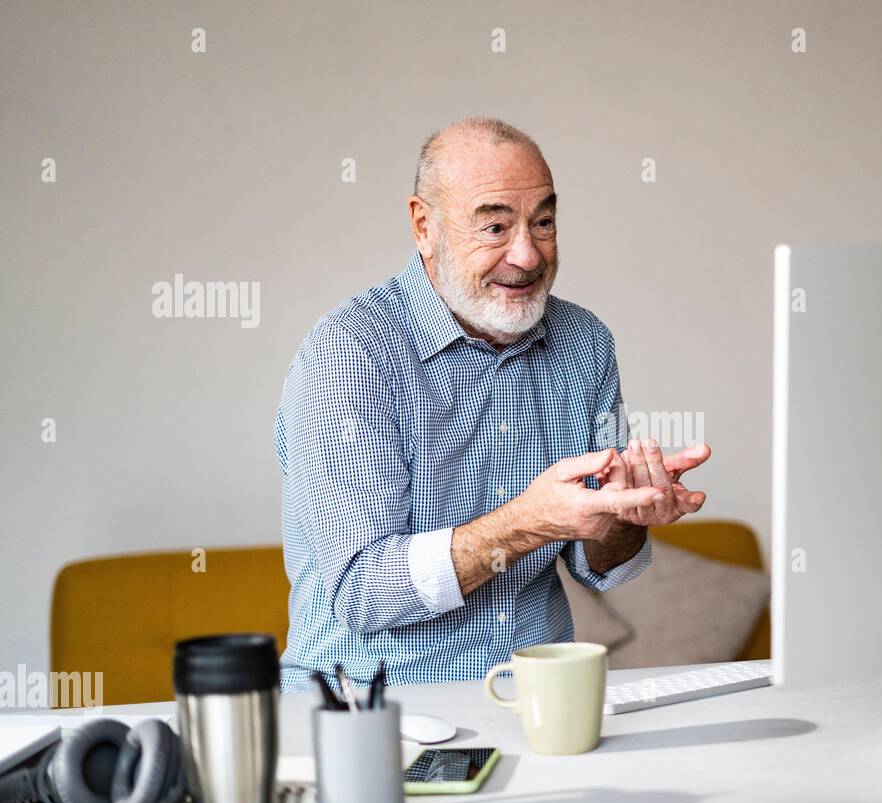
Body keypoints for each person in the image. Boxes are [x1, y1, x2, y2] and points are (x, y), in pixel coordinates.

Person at [274, 117, 711, 690]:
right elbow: (363, 591)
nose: (527, 256)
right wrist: (527, 524)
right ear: (424, 226)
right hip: (371, 713)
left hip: (542, 698)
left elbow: (596, 566)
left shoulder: (584, 342)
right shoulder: (350, 352)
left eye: (544, 222)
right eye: (496, 227)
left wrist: (624, 515)